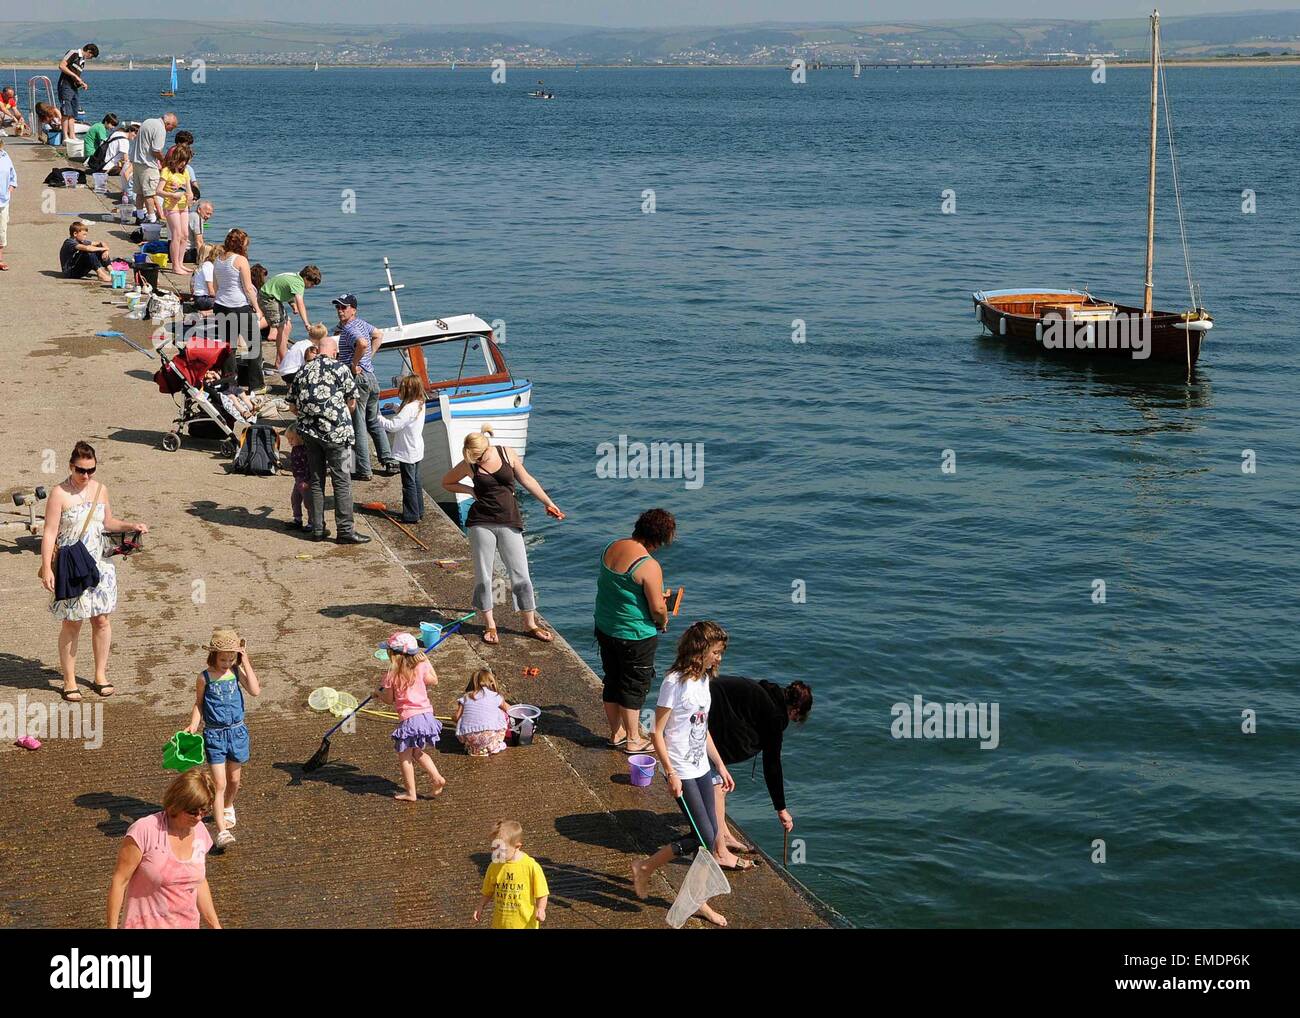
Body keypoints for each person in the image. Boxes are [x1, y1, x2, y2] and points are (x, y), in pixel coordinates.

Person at [629, 622, 740, 927]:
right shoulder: (674, 682)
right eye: (716, 652)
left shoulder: (704, 680)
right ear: (701, 650)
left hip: (701, 767)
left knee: (710, 836)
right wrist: (670, 773)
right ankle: (646, 868)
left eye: (720, 653)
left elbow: (702, 730)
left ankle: (696, 899)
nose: (719, 658)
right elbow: (656, 732)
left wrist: (719, 765)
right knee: (704, 835)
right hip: (681, 769)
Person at [38, 441, 149, 701]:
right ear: (70, 466)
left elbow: (108, 522)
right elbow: (50, 532)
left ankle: (100, 675)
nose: (86, 476)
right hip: (71, 565)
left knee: (101, 620)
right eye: (81, 470)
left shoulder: (100, 490)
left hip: (99, 564)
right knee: (72, 622)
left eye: (91, 470)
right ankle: (69, 680)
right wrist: (46, 568)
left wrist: (131, 524)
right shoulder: (59, 493)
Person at [441, 425, 563, 645]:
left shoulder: (507, 453)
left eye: (477, 457)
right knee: (484, 577)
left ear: (485, 448)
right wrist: (469, 490)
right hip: (481, 523)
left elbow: (527, 480)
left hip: (509, 521)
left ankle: (530, 623)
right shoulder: (470, 464)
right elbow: (447, 482)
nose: (475, 461)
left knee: (521, 575)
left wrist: (548, 503)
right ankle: (490, 624)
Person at [595, 508, 676, 754]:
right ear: (660, 538)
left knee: (612, 678)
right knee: (633, 685)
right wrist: (663, 619)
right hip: (634, 635)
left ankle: (616, 732)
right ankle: (633, 739)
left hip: (605, 626)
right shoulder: (649, 565)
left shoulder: (612, 546)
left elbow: (624, 589)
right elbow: (657, 609)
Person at [708, 676, 813, 855]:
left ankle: (725, 835)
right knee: (718, 786)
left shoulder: (768, 694)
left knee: (720, 783)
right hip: (707, 711)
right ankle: (720, 850)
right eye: (796, 718)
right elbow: (772, 765)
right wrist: (781, 810)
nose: (792, 722)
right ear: (795, 711)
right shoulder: (774, 716)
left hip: (711, 704)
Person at [106, 768, 221, 929]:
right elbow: (119, 881)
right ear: (176, 804)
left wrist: (215, 925)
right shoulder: (144, 831)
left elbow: (199, 882)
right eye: (193, 812)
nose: (199, 818)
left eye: (204, 811)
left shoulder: (200, 832)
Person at [287, 331, 369, 544]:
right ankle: (345, 531)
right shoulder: (341, 368)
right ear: (334, 352)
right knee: (342, 481)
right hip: (338, 435)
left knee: (316, 480)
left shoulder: (303, 370)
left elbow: (293, 406)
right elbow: (352, 402)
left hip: (310, 436)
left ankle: (317, 527)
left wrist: (310, 417)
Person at [184, 629, 259, 851]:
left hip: (237, 732)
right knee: (220, 783)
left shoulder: (236, 672)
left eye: (231, 658)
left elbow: (255, 690)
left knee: (234, 781)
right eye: (223, 659)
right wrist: (194, 724)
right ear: (213, 656)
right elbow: (198, 703)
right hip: (215, 735)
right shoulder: (204, 677)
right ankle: (221, 831)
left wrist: (245, 661)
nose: (226, 663)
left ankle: (227, 806)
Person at [332, 293, 397, 479]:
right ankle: (389, 461)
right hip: (371, 378)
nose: (340, 310)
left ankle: (363, 469)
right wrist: (369, 357)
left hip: (357, 380)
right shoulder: (361, 323)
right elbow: (378, 335)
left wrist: (354, 364)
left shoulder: (351, 328)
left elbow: (361, 343)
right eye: (338, 307)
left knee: (357, 424)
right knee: (374, 421)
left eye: (344, 307)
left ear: (353, 309)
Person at [374, 632, 446, 800]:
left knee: (404, 757)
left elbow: (389, 699)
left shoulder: (390, 675)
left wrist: (378, 692)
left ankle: (411, 793)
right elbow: (434, 680)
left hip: (410, 719)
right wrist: (426, 660)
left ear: (392, 654)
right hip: (426, 715)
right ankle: (436, 778)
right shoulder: (420, 667)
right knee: (416, 752)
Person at [211, 229, 268, 391]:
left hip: (221, 305)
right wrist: (257, 308)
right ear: (241, 244)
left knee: (229, 346)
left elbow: (215, 287)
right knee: (254, 344)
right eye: (246, 244)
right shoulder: (241, 260)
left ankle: (229, 382)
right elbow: (249, 288)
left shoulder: (218, 260)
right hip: (238, 306)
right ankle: (256, 385)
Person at [474, 820, 549, 929]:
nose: (496, 853)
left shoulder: (531, 867)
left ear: (517, 846)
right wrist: (480, 905)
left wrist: (541, 909)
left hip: (525, 925)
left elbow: (542, 893)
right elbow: (488, 891)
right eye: (494, 848)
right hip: (500, 925)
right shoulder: (494, 866)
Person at [377, 374, 426, 523]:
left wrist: (378, 417)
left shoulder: (409, 408)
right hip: (416, 448)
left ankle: (411, 515)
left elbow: (393, 426)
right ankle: (419, 511)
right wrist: (394, 407)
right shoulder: (419, 403)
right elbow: (407, 418)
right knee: (415, 482)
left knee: (408, 484)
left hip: (407, 451)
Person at [261, 266, 321, 366]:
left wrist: (293, 305)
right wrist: (306, 322)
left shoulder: (294, 277)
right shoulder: (299, 283)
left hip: (274, 298)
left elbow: (284, 289)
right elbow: (300, 302)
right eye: (312, 283)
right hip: (268, 298)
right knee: (282, 328)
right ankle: (283, 362)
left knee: (288, 326)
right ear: (306, 278)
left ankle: (278, 361)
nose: (312, 286)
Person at [129, 111, 178, 222]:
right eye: (172, 127)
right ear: (168, 123)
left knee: (139, 192)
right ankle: (152, 219)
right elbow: (156, 150)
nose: (171, 131)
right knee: (150, 193)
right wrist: (164, 161)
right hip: (147, 164)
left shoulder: (148, 121)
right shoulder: (160, 129)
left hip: (136, 161)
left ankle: (140, 216)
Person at [454, 668, 510, 757]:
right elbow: (510, 710)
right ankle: (494, 746)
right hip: (489, 735)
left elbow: (456, 717)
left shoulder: (466, 697)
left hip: (469, 736)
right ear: (492, 682)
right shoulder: (496, 696)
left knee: (464, 718)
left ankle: (474, 748)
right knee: (503, 714)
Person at [158, 144, 193, 276]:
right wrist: (172, 195)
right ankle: (175, 266)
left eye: (185, 161)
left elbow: (189, 191)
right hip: (171, 206)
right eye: (181, 161)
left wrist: (190, 197)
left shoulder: (185, 172)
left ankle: (180, 262)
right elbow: (158, 191)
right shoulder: (166, 171)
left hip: (183, 206)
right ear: (176, 158)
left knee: (185, 235)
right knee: (176, 234)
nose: (183, 164)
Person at [57, 43, 98, 146]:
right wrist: (75, 76)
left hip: (74, 88)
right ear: (89, 51)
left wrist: (82, 83)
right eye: (91, 56)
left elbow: (76, 77)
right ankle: (65, 137)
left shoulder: (82, 62)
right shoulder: (74, 53)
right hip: (65, 85)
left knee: (73, 112)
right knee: (66, 111)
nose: (90, 58)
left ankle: (72, 136)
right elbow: (62, 66)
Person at [278, 321, 322, 390]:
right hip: (292, 374)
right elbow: (310, 364)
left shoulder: (300, 342)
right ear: (320, 339)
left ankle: (291, 386)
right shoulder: (310, 348)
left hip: (284, 372)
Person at [284, 425, 311, 531]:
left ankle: (312, 522)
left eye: (292, 439)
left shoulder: (305, 450)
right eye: (288, 439)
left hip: (305, 480)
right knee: (295, 499)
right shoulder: (295, 449)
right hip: (298, 479)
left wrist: (307, 480)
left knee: (308, 502)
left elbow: (309, 466)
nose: (290, 442)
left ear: (300, 437)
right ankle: (297, 519)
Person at [190, 242, 219, 312]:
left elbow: (191, 287)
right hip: (204, 299)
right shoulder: (209, 266)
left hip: (197, 298)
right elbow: (211, 291)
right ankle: (207, 313)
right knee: (224, 304)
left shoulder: (198, 268)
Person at [0, 139, 14, 271]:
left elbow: (12, 175)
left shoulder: (4, 155)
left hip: (3, 200)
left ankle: (0, 259)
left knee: (2, 231)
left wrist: (10, 188)